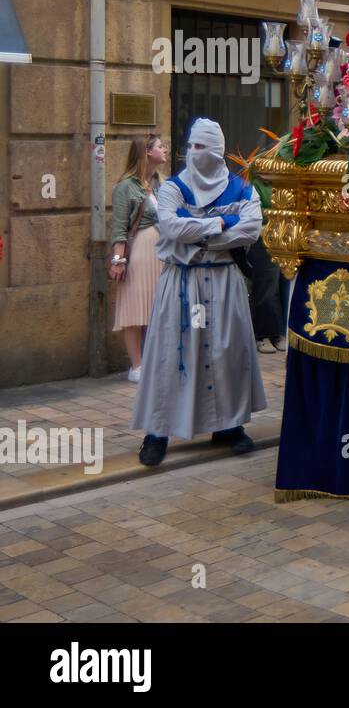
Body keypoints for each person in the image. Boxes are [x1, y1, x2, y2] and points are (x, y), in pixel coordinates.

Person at [132, 119, 267, 466]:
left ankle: (230, 426)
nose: (193, 153)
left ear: (217, 150)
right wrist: (221, 223)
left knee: (228, 351)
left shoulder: (241, 189)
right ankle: (157, 431)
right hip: (182, 283)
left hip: (225, 283)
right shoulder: (172, 189)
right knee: (170, 355)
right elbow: (172, 226)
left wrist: (199, 231)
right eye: (190, 146)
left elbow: (251, 229)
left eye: (201, 147)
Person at [109, 134, 168, 382]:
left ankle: (157, 361)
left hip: (163, 251)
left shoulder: (161, 183)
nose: (165, 149)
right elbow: (120, 227)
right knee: (135, 309)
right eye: (159, 146)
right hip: (140, 252)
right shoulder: (125, 187)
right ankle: (137, 366)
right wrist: (117, 260)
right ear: (146, 152)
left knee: (160, 308)